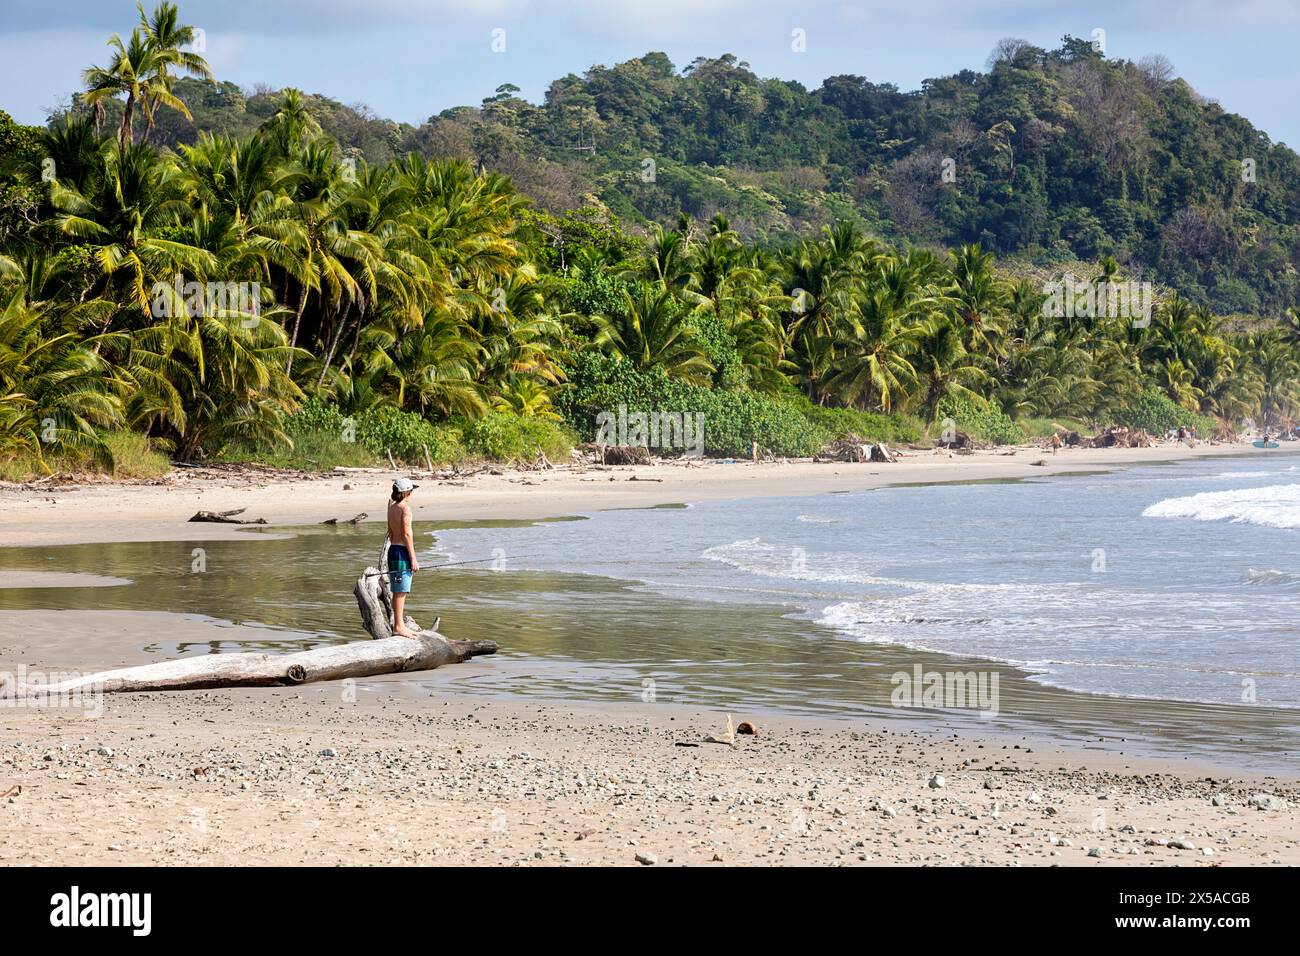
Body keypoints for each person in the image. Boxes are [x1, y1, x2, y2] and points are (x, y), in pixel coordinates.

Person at [386, 477, 421, 637]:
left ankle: (398, 625)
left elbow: (391, 532)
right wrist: (413, 557)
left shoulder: (391, 508)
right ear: (407, 492)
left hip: (393, 549)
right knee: (401, 591)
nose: (412, 493)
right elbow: (406, 533)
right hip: (401, 553)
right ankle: (399, 626)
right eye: (411, 490)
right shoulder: (405, 509)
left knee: (397, 590)